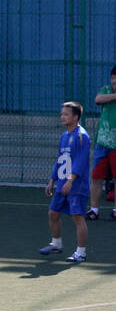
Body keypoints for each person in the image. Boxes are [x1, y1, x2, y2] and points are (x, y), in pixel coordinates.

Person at [40, 102, 91, 263]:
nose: (63, 116)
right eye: (62, 114)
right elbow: (60, 160)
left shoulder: (82, 136)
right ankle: (56, 244)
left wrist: (70, 180)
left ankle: (81, 253)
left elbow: (81, 161)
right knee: (53, 213)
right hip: (62, 183)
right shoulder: (64, 136)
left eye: (66, 114)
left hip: (76, 185)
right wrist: (52, 180)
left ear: (75, 117)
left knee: (77, 217)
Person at [87, 66, 116, 221]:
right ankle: (94, 210)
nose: (114, 83)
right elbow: (98, 99)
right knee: (96, 177)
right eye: (113, 79)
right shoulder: (106, 90)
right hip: (102, 143)